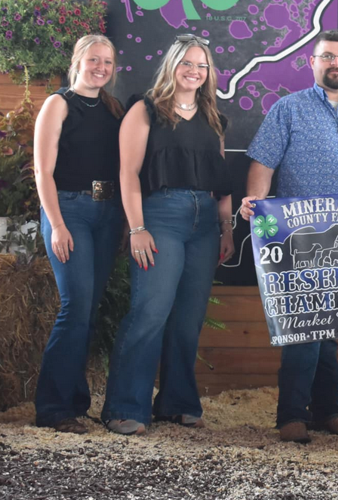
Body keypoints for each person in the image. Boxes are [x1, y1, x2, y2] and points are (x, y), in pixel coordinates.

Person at [239, 29, 338, 444]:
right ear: (312, 62)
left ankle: (328, 411)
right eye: (327, 56)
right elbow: (262, 163)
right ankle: (292, 415)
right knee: (305, 325)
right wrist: (256, 204)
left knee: (331, 326)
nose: (335, 63)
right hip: (299, 238)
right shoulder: (287, 111)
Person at [101, 34, 234, 435]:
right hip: (160, 216)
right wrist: (137, 227)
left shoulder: (213, 116)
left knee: (188, 318)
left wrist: (225, 227)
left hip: (204, 220)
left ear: (208, 73)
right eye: (187, 63)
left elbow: (221, 178)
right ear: (172, 65)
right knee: (151, 311)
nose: (194, 71)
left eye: (201, 65)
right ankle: (124, 407)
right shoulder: (145, 110)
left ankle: (176, 402)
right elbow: (127, 173)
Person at [32, 35, 126, 434]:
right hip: (68, 210)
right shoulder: (58, 104)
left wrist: (122, 221)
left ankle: (75, 402)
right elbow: (43, 172)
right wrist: (56, 224)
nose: (100, 67)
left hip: (106, 214)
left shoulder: (112, 107)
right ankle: (52, 408)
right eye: (93, 59)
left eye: (107, 61)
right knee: (74, 308)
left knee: (87, 312)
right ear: (78, 61)